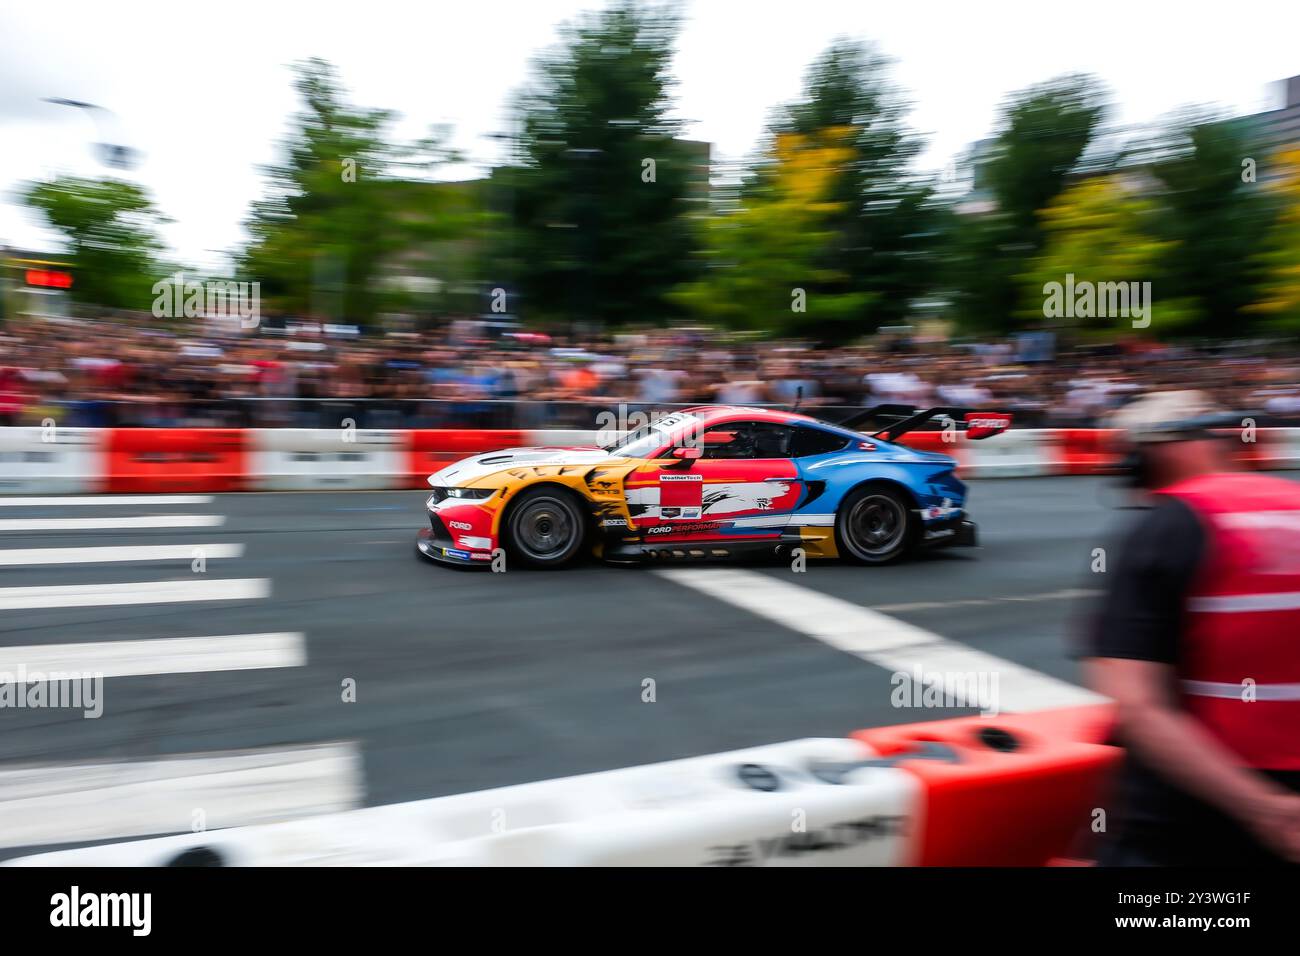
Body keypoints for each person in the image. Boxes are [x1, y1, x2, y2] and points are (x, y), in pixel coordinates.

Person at [1084, 390, 1300, 865]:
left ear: (1150, 454)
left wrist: (1266, 810)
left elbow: (1140, 707)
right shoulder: (1294, 501)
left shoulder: (1168, 525)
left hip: (1194, 813)